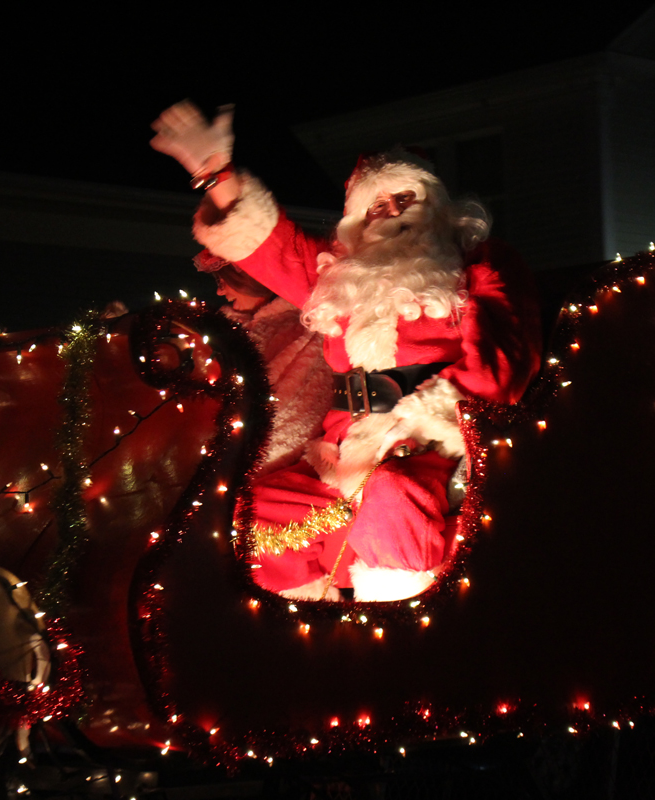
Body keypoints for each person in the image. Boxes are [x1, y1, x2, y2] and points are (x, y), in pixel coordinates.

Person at [152, 102, 542, 602]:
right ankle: (295, 639)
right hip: (342, 452)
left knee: (391, 499)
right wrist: (214, 175)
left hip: (435, 446)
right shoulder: (338, 280)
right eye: (375, 205)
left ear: (437, 207)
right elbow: (270, 246)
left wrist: (427, 421)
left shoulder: (474, 268)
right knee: (249, 515)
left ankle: (391, 643)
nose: (391, 211)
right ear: (358, 220)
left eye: (405, 197)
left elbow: (501, 365)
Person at [194, 251, 333, 476]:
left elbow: (289, 419)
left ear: (251, 278)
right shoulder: (227, 332)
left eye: (223, 280)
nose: (220, 291)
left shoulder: (303, 332)